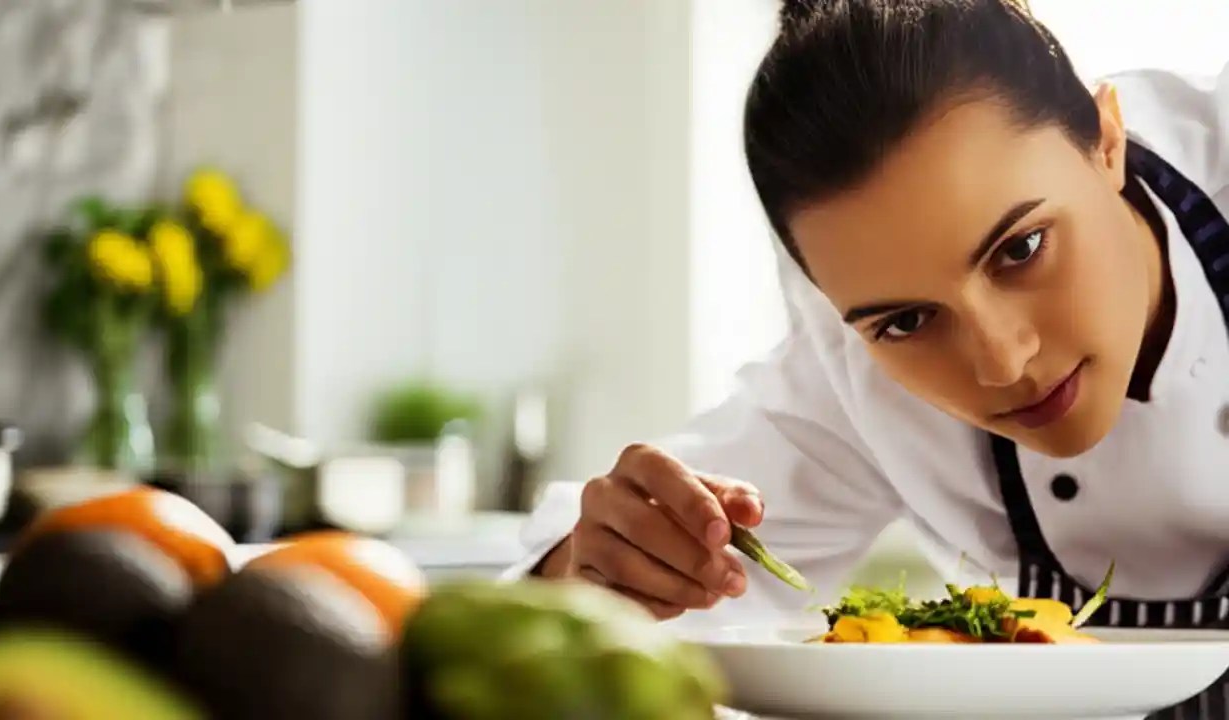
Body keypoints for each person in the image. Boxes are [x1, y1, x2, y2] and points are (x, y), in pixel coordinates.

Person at [510, 0, 1229, 715]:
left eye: (1021, 248)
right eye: (907, 320)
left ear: (1107, 140)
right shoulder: (852, 378)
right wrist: (611, 561)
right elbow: (587, 609)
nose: (1002, 363)